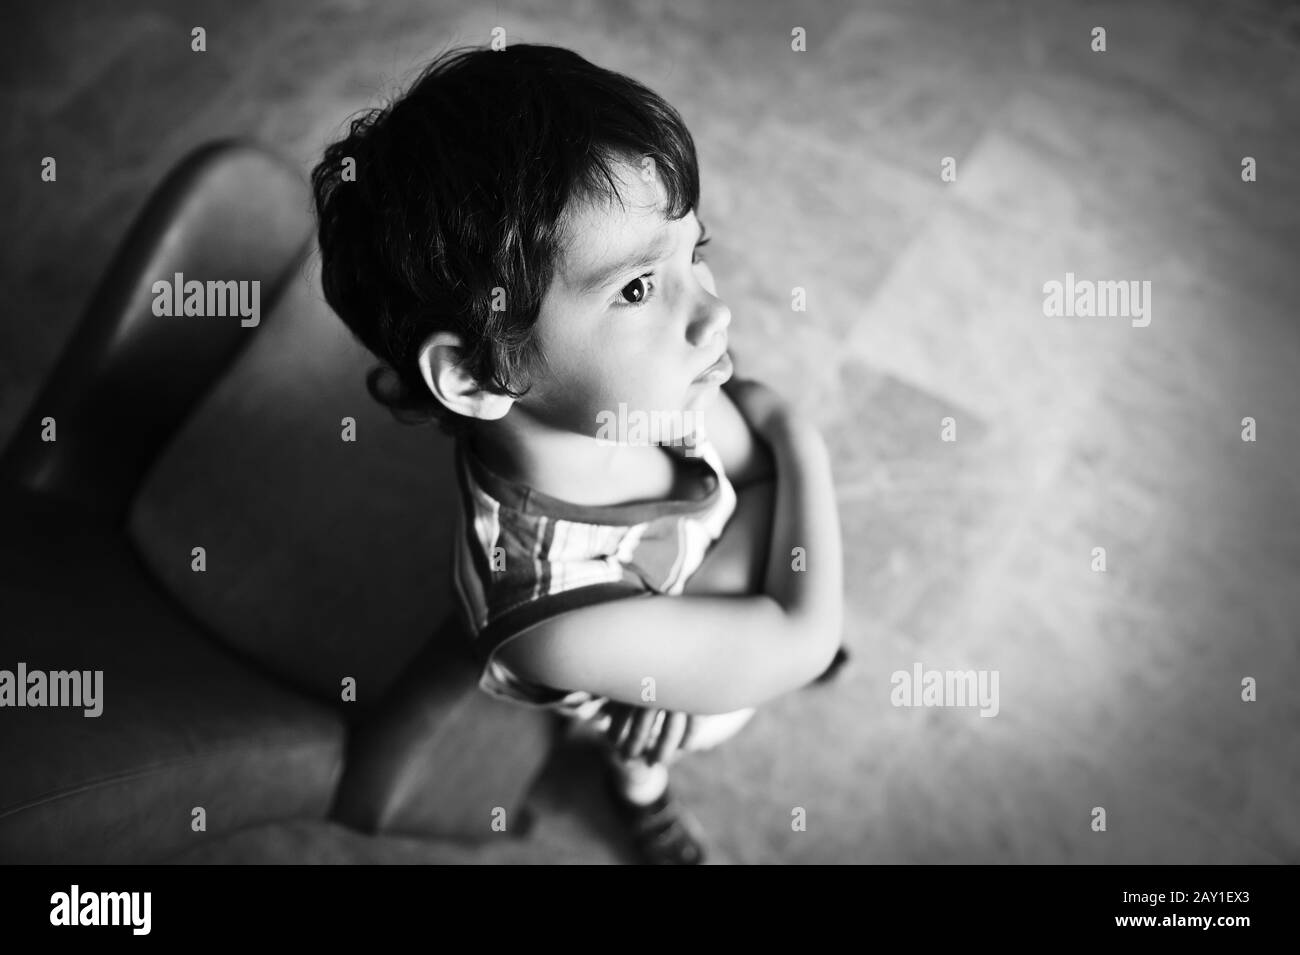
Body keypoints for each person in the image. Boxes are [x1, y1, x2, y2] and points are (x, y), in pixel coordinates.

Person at [311, 43, 845, 864]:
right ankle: (642, 796)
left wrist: (770, 468)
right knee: (655, 732)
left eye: (693, 255)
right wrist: (797, 429)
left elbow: (752, 465)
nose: (716, 315)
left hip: (683, 584)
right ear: (479, 373)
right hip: (655, 689)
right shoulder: (545, 623)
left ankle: (717, 642)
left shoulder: (635, 397)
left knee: (770, 548)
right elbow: (802, 629)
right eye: (636, 288)